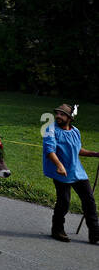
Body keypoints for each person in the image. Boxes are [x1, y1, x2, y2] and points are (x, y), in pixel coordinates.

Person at [43, 103, 99, 243]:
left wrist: (94, 154)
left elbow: (78, 149)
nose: (58, 116)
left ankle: (95, 234)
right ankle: (57, 230)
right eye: (57, 113)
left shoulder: (75, 131)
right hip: (61, 172)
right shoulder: (50, 129)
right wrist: (59, 165)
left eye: (62, 114)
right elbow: (50, 150)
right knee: (64, 202)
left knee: (89, 201)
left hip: (77, 171)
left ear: (69, 118)